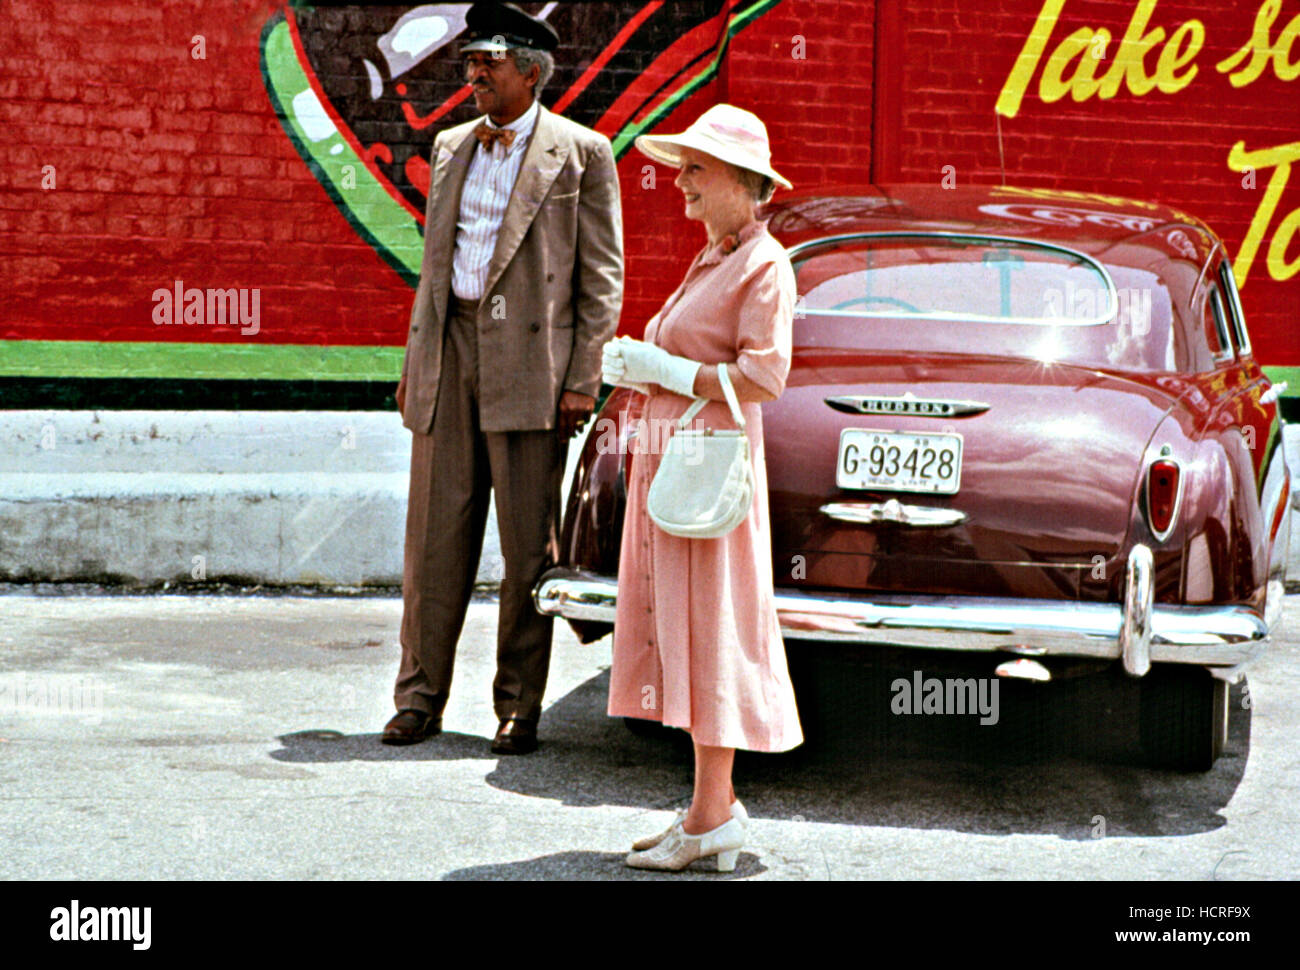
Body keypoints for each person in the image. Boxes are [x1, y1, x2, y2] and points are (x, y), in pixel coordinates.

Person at [385, 2, 623, 755]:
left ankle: (519, 707)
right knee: (433, 539)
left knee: (528, 548)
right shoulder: (452, 145)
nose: (473, 72)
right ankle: (419, 698)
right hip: (451, 353)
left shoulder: (581, 153)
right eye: (468, 61)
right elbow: (431, 275)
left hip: (532, 369)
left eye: (486, 58)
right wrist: (415, 365)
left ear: (530, 68)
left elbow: (601, 280)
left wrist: (582, 379)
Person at [602, 104, 801, 871]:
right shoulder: (717, 254)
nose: (679, 179)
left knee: (711, 628)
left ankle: (713, 816)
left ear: (742, 184)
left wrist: (666, 371)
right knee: (685, 625)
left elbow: (765, 375)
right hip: (679, 463)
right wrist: (638, 364)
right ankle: (706, 812)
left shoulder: (762, 263)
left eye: (697, 168)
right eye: (682, 165)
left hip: (709, 476)